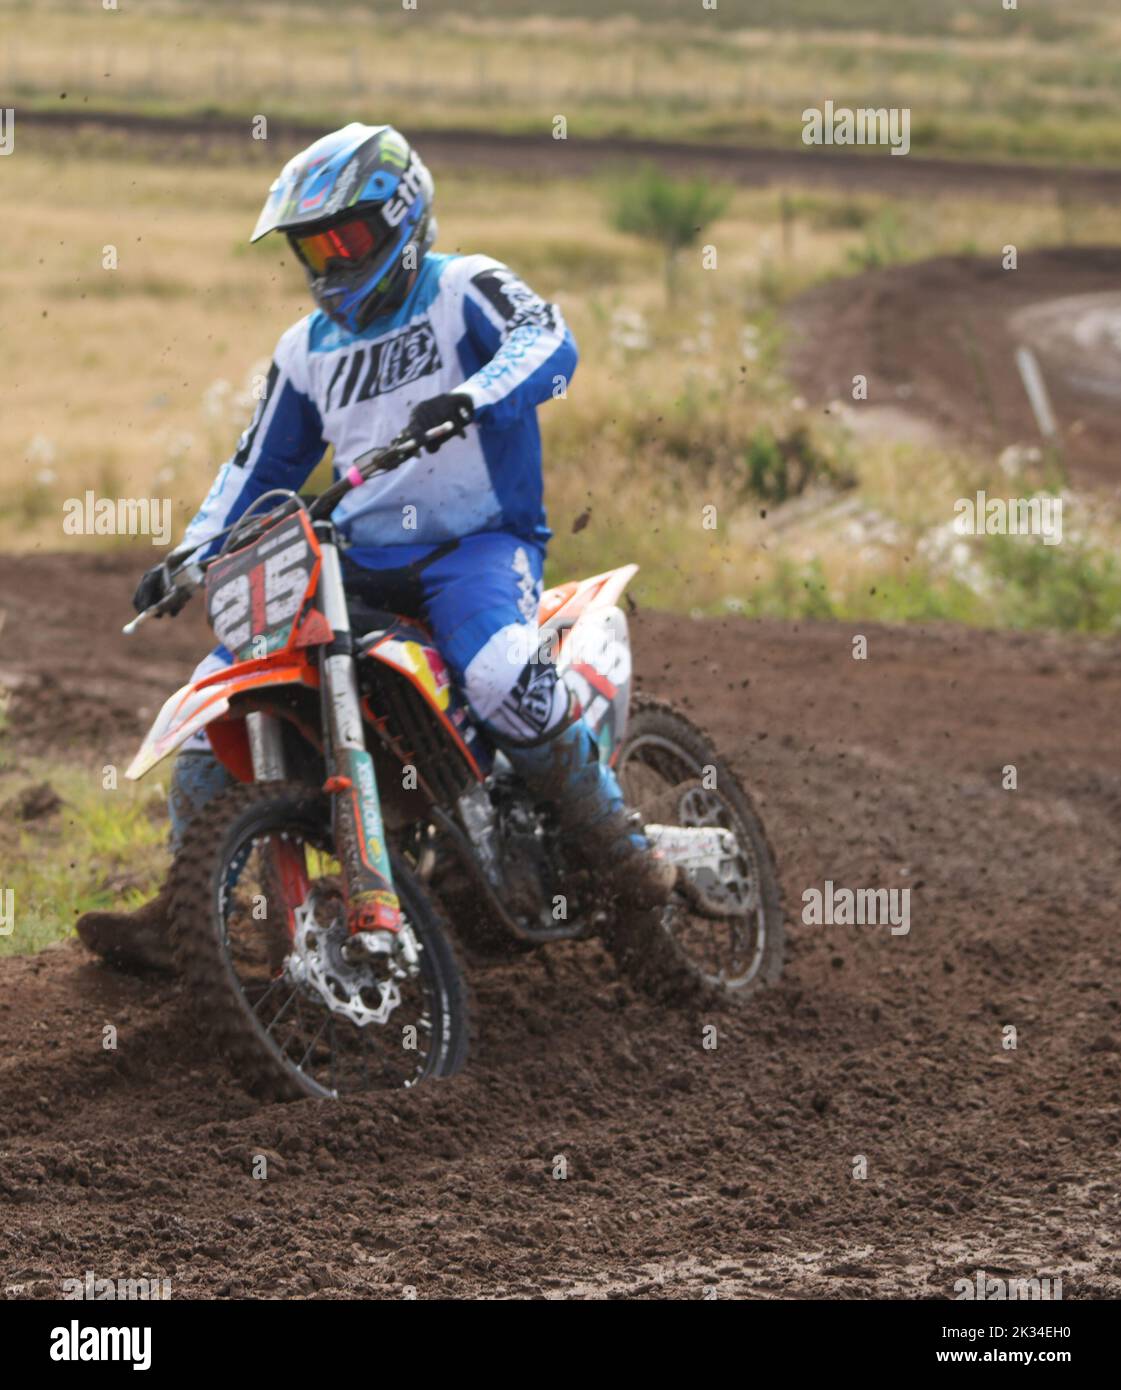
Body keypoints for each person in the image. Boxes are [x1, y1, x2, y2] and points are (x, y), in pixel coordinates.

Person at [77, 123, 672, 972]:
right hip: (354, 558)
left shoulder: (462, 285)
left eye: (346, 239)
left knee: (501, 673)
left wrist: (471, 395)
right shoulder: (304, 351)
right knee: (215, 701)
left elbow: (549, 342)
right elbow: (257, 466)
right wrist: (190, 554)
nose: (331, 262)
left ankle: (619, 847)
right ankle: (191, 907)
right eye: (313, 249)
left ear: (402, 217)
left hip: (475, 545)